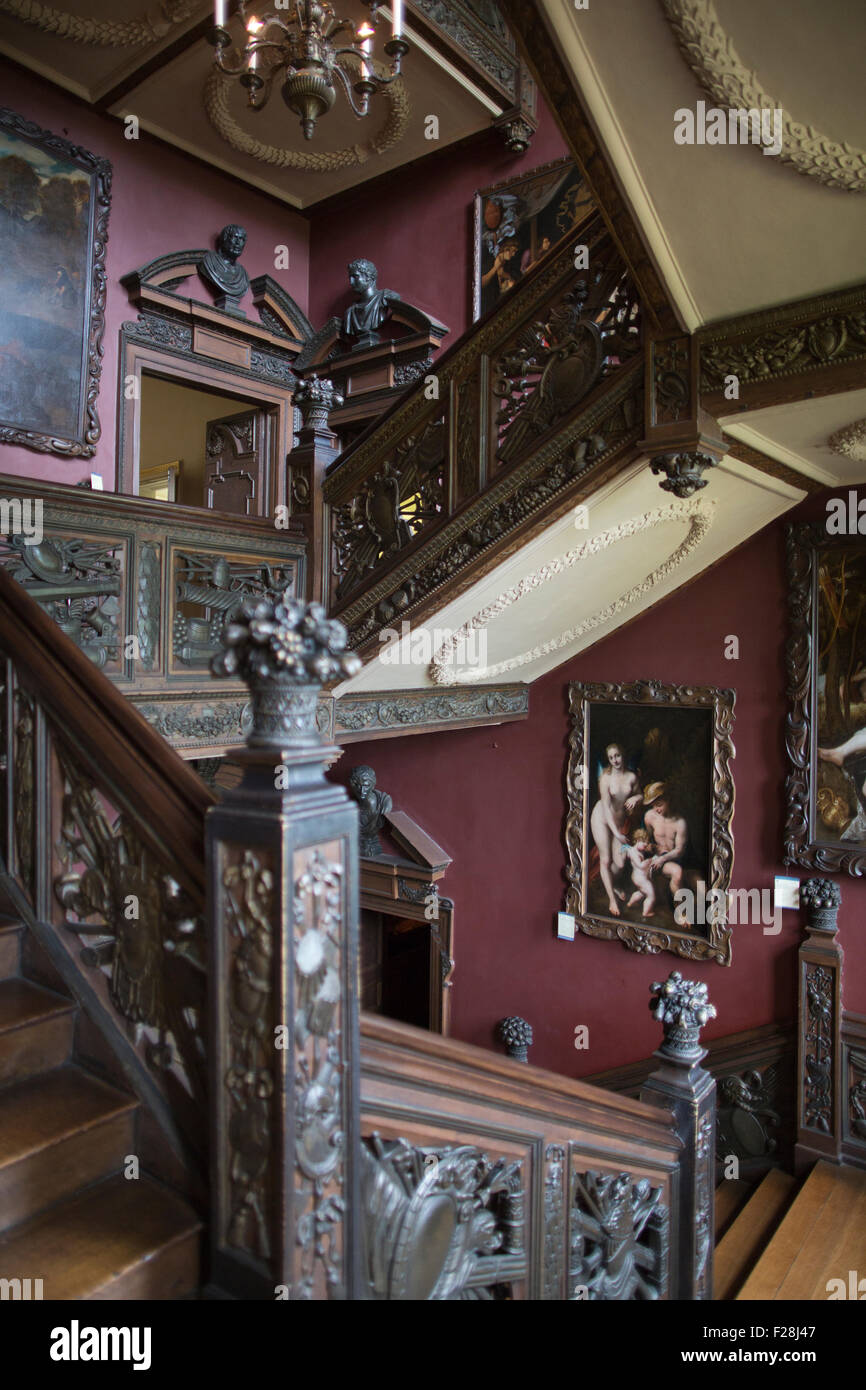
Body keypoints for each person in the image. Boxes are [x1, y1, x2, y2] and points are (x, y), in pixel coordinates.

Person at [589, 743, 642, 917]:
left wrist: (636, 797)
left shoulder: (631, 777)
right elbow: (605, 807)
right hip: (602, 819)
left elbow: (640, 793)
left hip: (618, 822)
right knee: (606, 860)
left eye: (617, 755)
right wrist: (617, 834)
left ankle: (612, 884)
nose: (615, 760)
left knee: (619, 864)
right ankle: (612, 899)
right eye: (611, 758)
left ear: (623, 754)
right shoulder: (605, 779)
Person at [643, 782, 687, 902]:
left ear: (668, 800)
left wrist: (663, 859)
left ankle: (681, 907)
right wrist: (651, 848)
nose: (656, 809)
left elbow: (679, 850)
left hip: (674, 858)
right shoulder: (649, 817)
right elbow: (648, 839)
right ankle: (682, 912)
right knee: (677, 872)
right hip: (658, 858)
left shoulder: (680, 822)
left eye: (659, 805)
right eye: (653, 806)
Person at [342, 259, 399, 347]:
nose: (351, 282)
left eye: (355, 277)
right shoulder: (350, 313)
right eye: (350, 278)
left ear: (368, 276)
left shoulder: (387, 298)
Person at [624, 829, 655, 918]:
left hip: (638, 877)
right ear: (638, 840)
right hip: (641, 879)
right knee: (651, 895)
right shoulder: (634, 853)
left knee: (641, 892)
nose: (645, 846)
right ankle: (646, 912)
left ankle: (630, 903)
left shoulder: (635, 851)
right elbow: (640, 865)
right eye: (644, 844)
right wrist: (650, 860)